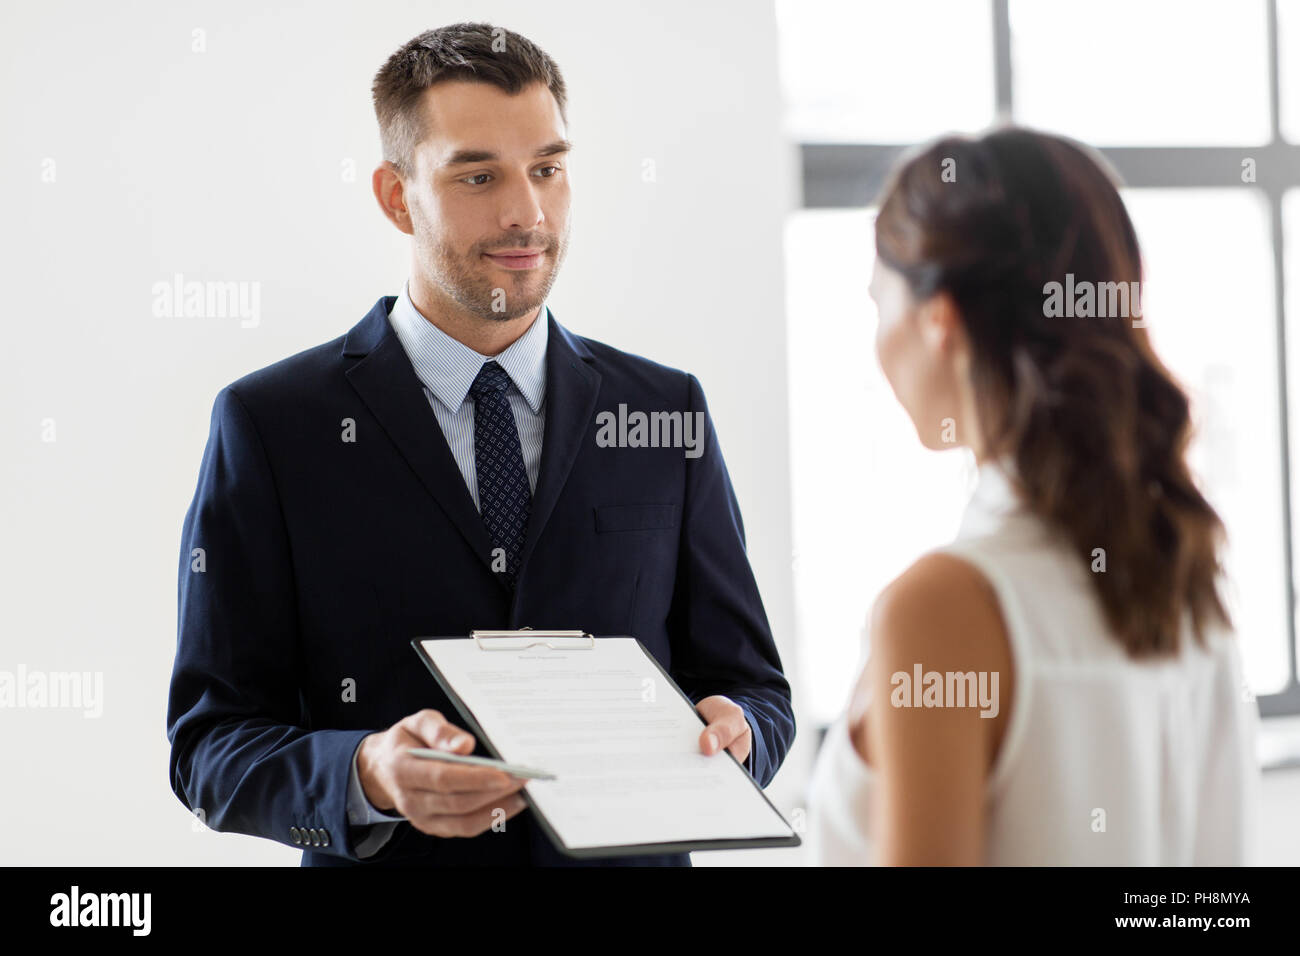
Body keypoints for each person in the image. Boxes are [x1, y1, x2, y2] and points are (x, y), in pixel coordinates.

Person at [167, 22, 793, 866]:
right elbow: (210, 748)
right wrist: (367, 775)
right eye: (478, 175)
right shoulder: (272, 424)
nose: (526, 213)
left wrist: (741, 729)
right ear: (397, 197)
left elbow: (756, 690)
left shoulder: (665, 410)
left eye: (548, 168)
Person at [806, 126, 1259, 865]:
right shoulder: (1188, 577)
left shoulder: (943, 608)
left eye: (876, 303)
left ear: (938, 320)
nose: (875, 342)